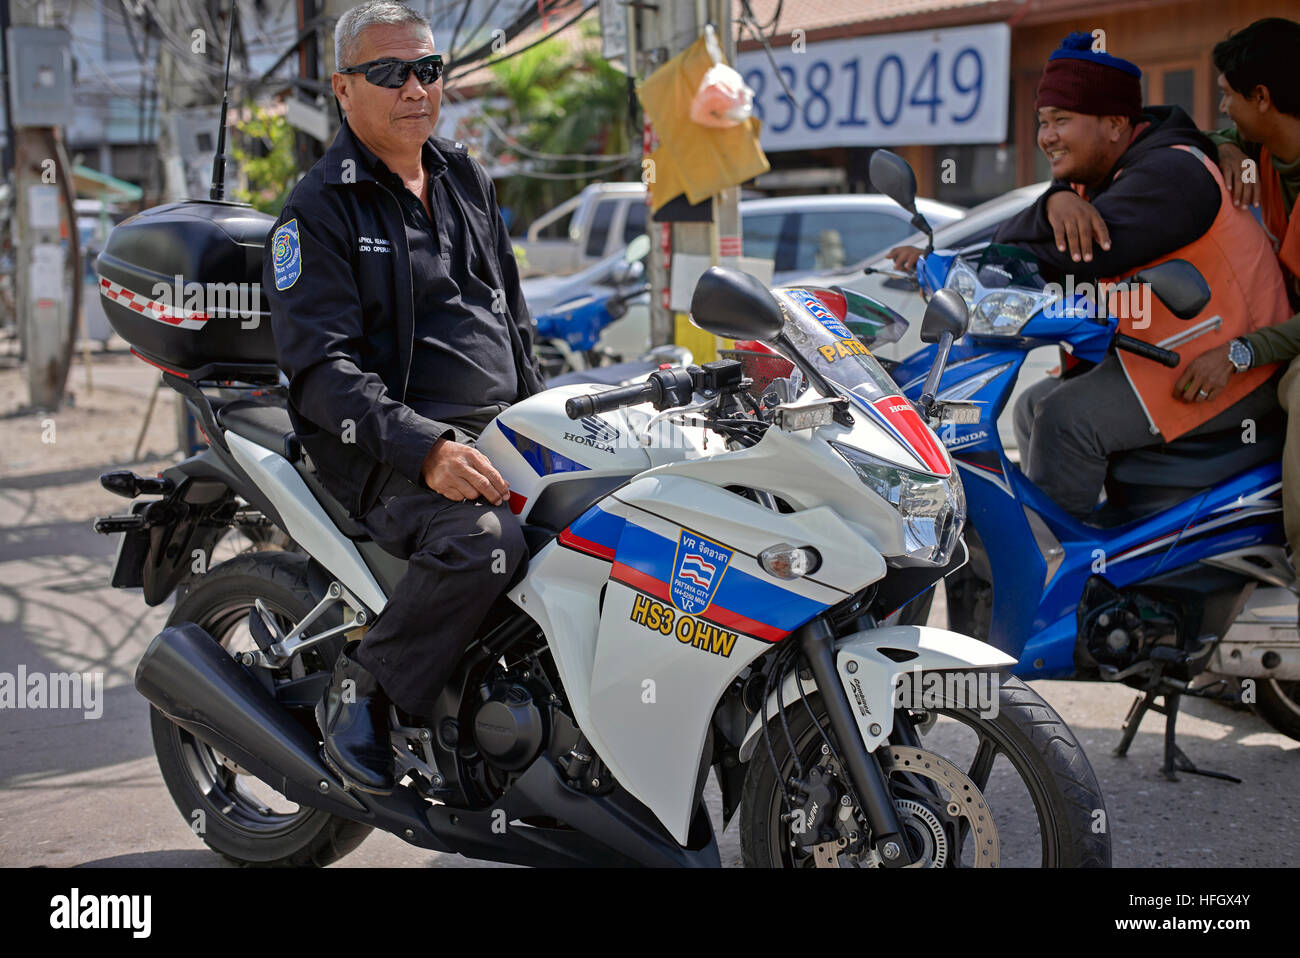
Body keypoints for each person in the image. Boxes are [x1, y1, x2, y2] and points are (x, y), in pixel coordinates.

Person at [263, 1, 544, 794]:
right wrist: (426, 451)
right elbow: (321, 371)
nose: (416, 87)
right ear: (344, 88)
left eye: (429, 69)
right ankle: (369, 683)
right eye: (391, 73)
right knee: (486, 541)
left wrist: (556, 421)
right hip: (381, 453)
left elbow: (512, 320)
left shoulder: (463, 177)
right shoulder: (318, 210)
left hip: (499, 430)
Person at [919, 32, 1290, 521]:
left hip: (1239, 363)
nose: (1046, 136)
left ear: (1116, 125)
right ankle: (1083, 549)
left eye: (1062, 121)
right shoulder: (1106, 170)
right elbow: (1035, 238)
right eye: (1043, 122)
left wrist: (1047, 206)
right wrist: (1054, 197)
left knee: (1063, 420)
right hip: (1178, 353)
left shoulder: (1171, 176)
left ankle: (1054, 577)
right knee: (1034, 406)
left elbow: (1076, 256)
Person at [1176, 20, 1300, 590]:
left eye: (1228, 94)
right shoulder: (1264, 150)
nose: (1222, 106)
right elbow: (1199, 136)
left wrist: (1243, 350)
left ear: (1263, 98)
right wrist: (1225, 149)